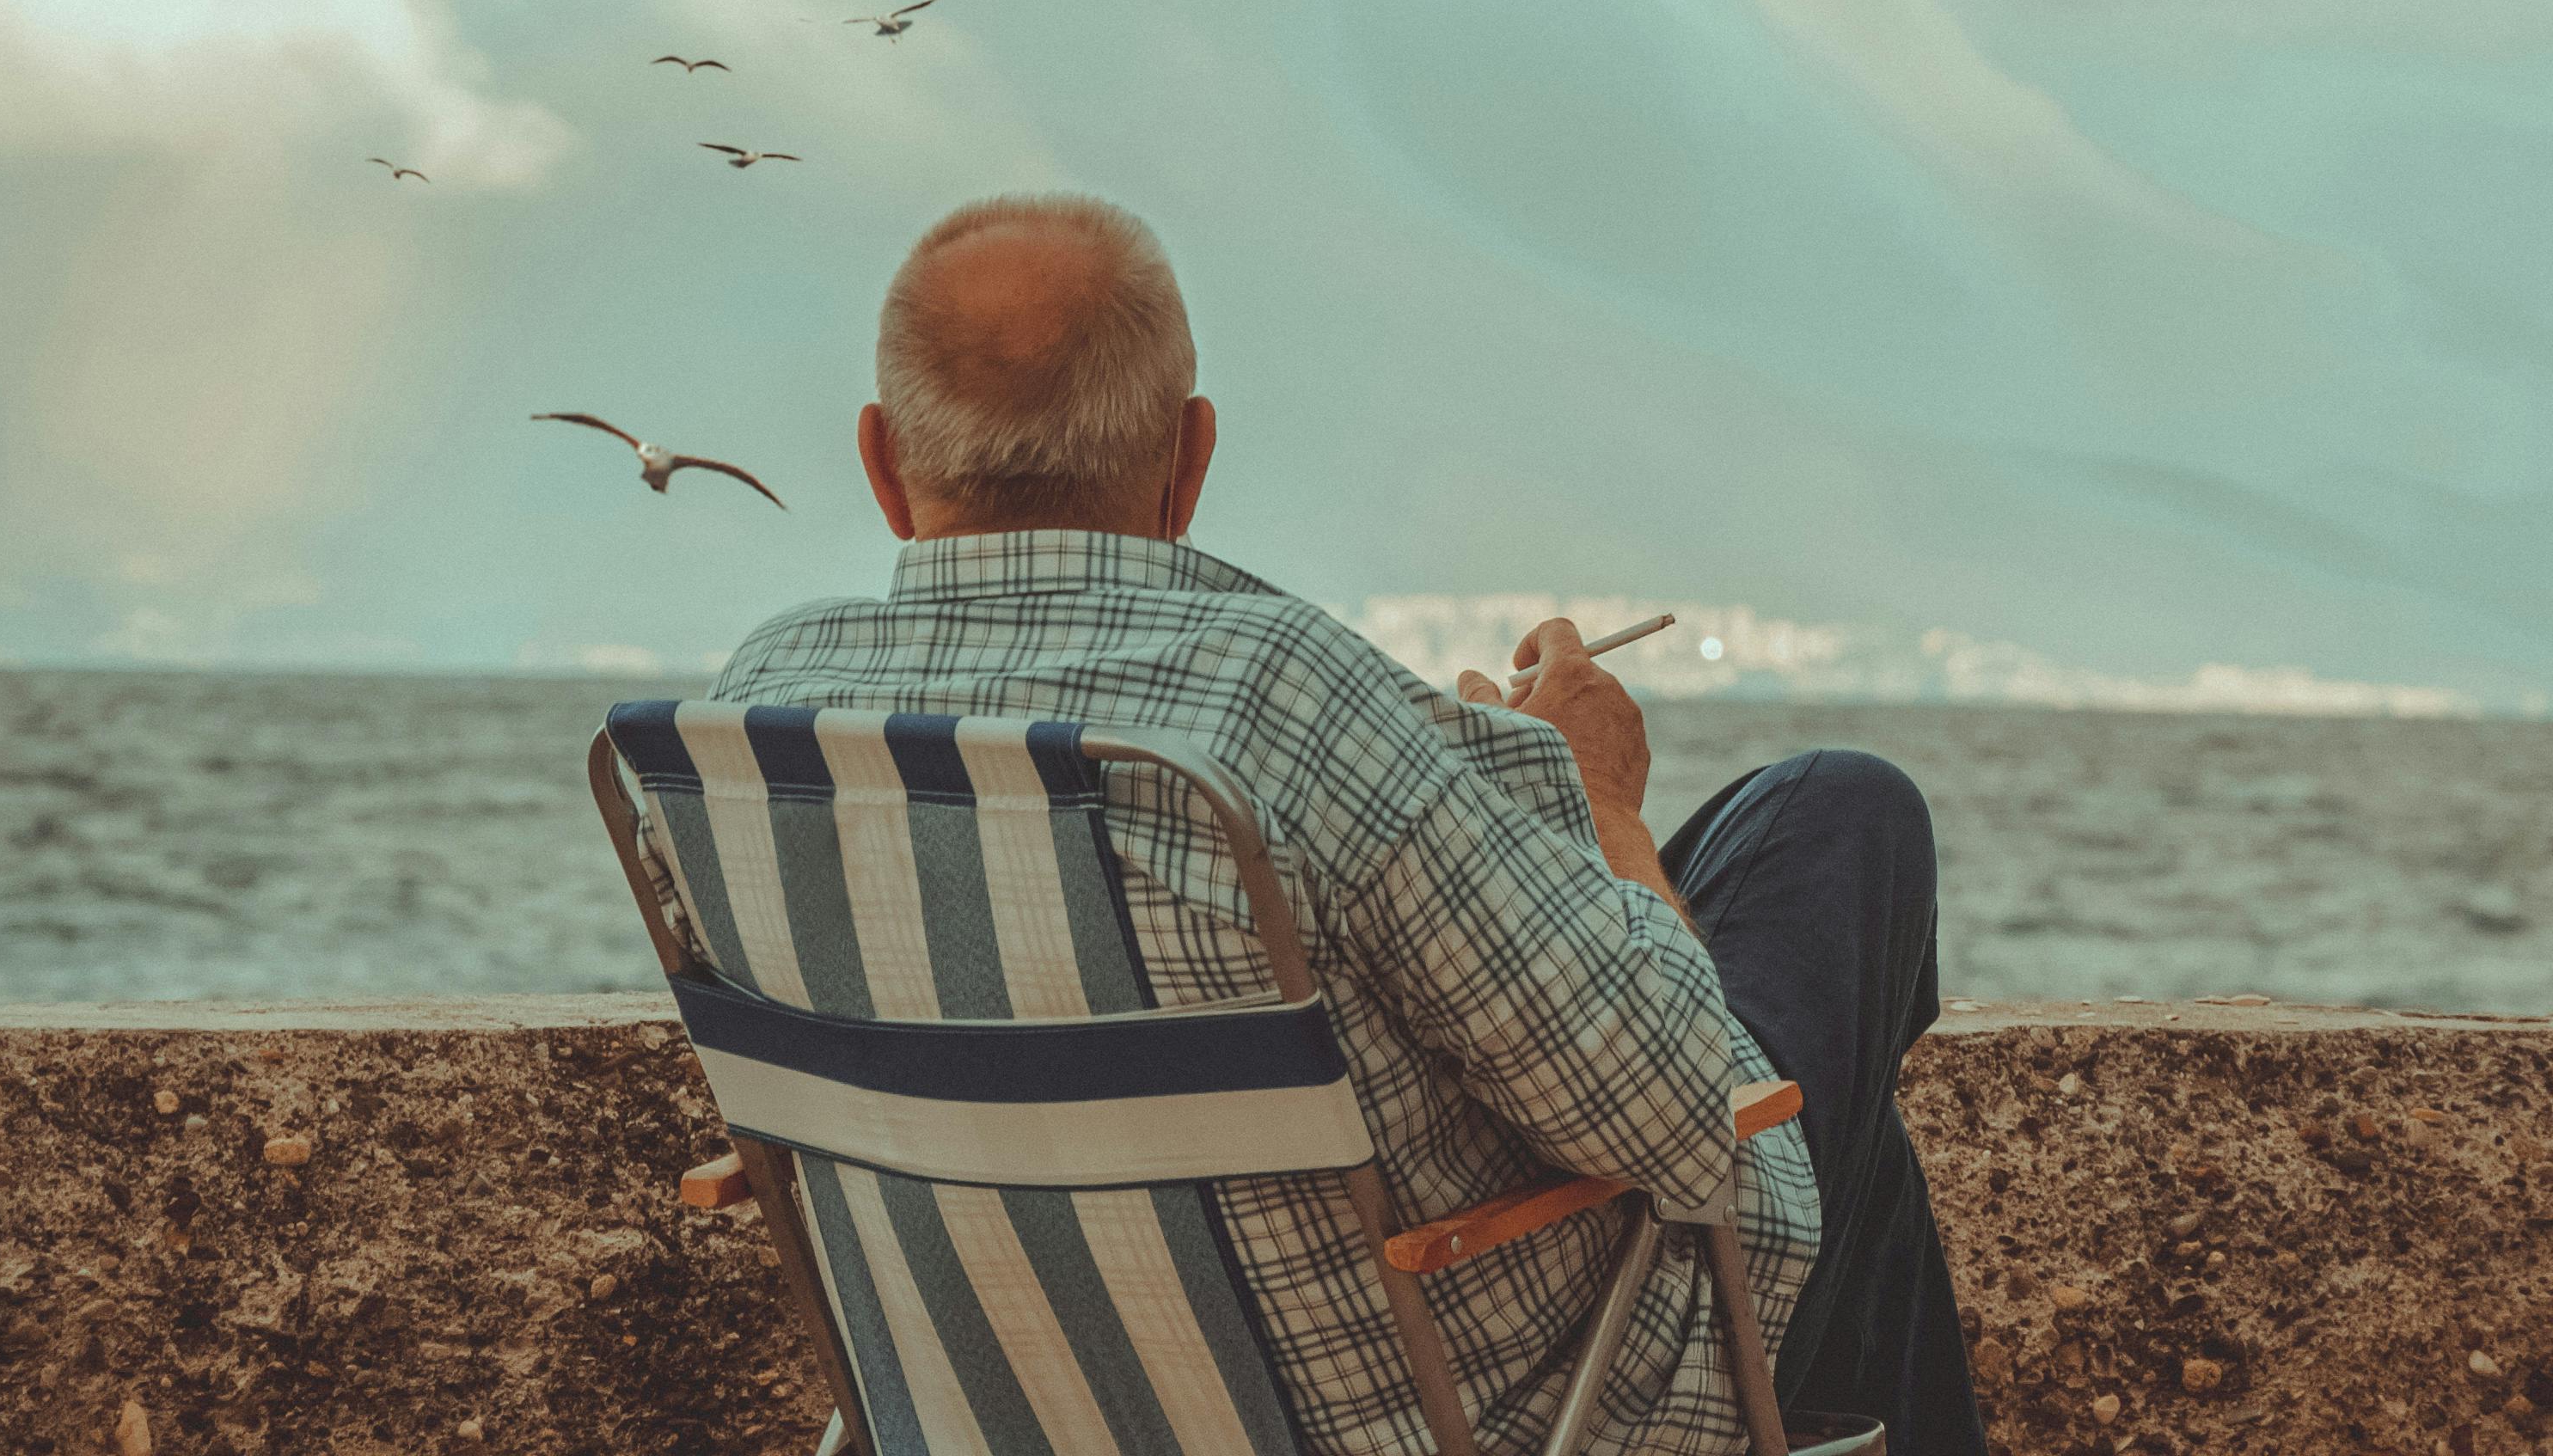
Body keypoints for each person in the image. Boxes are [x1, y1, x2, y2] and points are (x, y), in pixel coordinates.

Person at [710, 193, 1987, 1456]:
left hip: (990, 1412)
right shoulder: (1285, 705)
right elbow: (1683, 1118)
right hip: (1469, 1412)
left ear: (881, 463)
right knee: (1841, 819)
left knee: (1862, 1155)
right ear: (1188, 461)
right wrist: (1595, 811)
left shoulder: (756, 728)